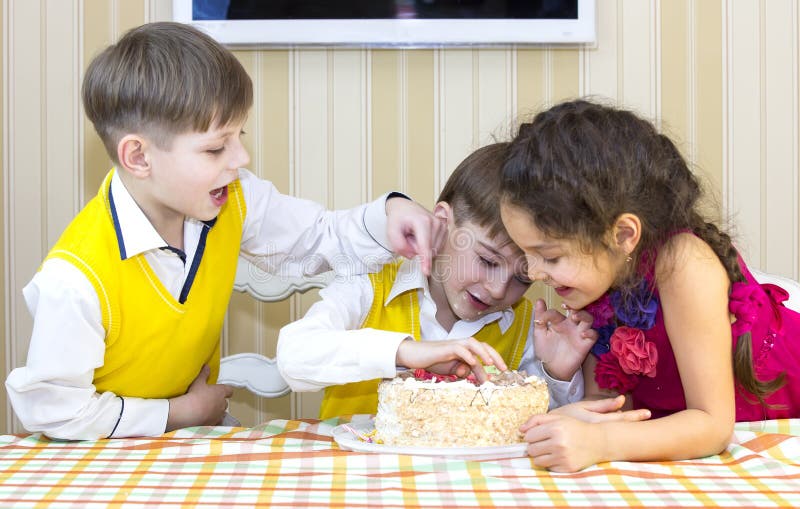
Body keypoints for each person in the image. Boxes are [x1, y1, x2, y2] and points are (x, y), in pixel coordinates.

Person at [4, 21, 447, 441]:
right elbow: (55, 410)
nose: (240, 159)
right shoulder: (75, 279)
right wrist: (180, 412)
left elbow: (316, 238)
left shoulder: (234, 197)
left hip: (195, 441)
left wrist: (387, 215)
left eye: (239, 136)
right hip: (107, 456)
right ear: (138, 157)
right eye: (216, 147)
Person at [500, 98, 800, 472]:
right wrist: (577, 417)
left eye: (551, 256)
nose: (533, 272)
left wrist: (599, 441)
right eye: (526, 253)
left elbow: (713, 426)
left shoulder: (683, 264)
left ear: (623, 235)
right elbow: (614, 409)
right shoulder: (595, 282)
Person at [278, 142, 600, 420]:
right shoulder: (369, 284)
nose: (498, 289)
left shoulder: (528, 327)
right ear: (443, 224)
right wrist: (403, 352)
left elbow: (538, 431)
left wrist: (555, 373)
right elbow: (294, 355)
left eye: (522, 277)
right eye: (487, 261)